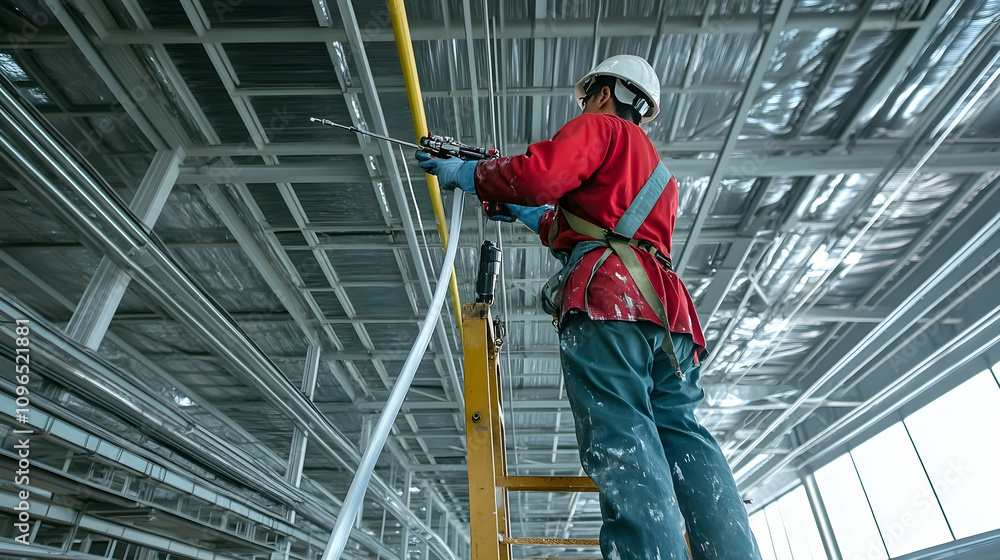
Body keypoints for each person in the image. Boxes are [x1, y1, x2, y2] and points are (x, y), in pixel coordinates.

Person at [416, 55, 762, 560]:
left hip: (610, 298)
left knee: (623, 434)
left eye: (588, 97)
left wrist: (476, 173)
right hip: (668, 314)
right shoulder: (661, 176)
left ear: (605, 93)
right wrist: (528, 211)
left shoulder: (600, 126)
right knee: (685, 437)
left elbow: (539, 176)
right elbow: (596, 224)